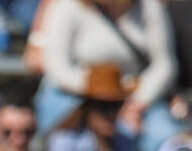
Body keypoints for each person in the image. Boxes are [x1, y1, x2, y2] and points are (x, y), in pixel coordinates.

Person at [37, 0, 177, 137]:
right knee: (63, 135)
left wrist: (139, 102)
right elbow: (56, 67)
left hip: (132, 94)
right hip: (77, 94)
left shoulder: (149, 7)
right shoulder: (69, 6)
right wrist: (98, 87)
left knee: (162, 135)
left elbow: (164, 65)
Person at [48, 63, 145, 151]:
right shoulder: (64, 142)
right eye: (103, 107)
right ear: (88, 108)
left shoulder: (125, 141)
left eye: (116, 105)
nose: (111, 114)